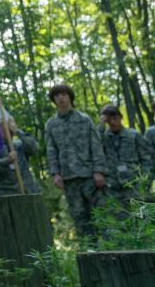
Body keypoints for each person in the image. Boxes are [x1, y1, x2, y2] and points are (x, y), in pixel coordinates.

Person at [44, 84, 105, 240]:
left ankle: (110, 250)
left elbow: (95, 145)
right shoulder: (51, 124)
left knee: (99, 214)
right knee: (79, 217)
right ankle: (89, 252)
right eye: (57, 96)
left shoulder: (84, 119)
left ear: (70, 97)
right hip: (68, 179)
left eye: (64, 94)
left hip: (88, 176)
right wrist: (55, 173)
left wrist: (99, 171)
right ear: (54, 100)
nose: (61, 98)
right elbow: (51, 151)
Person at [97, 104, 152, 208]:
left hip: (135, 186)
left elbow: (147, 160)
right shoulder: (103, 137)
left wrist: (145, 183)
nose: (112, 122)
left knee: (141, 220)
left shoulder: (134, 135)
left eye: (115, 118)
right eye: (109, 120)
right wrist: (101, 124)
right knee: (120, 222)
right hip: (113, 188)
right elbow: (94, 146)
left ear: (121, 117)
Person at [0, 118, 40, 196]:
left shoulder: (20, 143)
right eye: (3, 125)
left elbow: (34, 148)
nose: (7, 128)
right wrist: (7, 160)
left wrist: (18, 131)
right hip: (6, 193)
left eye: (9, 125)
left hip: (28, 191)